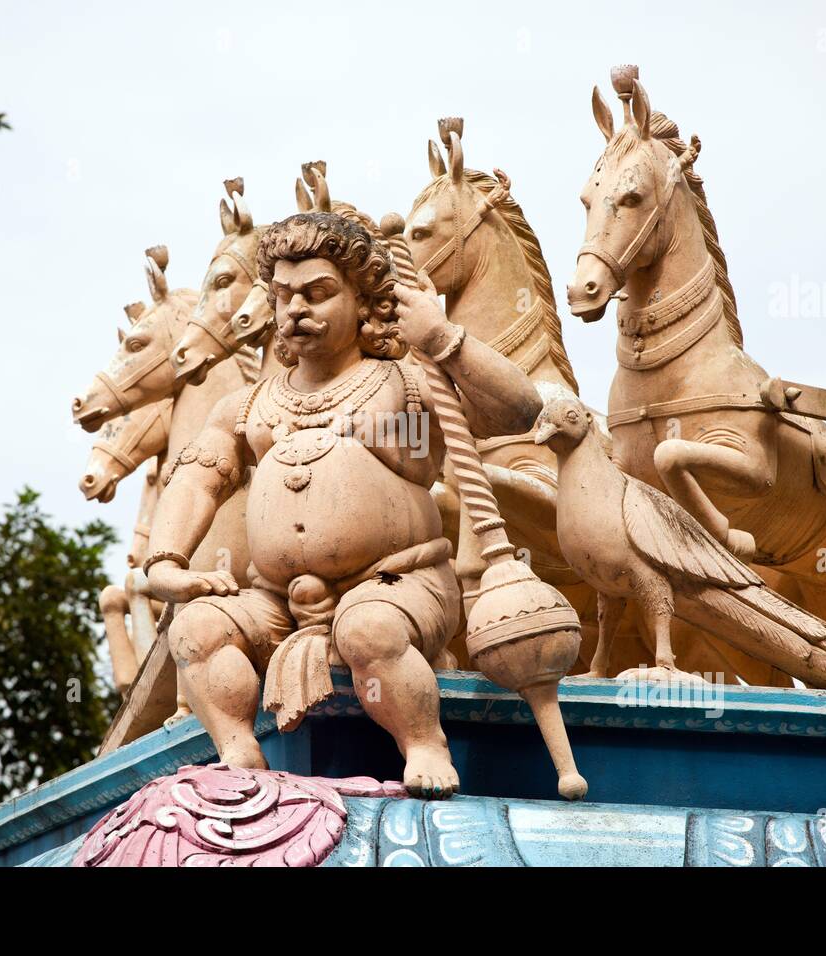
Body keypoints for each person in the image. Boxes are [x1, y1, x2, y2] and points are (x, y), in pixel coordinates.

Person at [143, 212, 542, 797]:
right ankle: (237, 752)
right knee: (199, 630)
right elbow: (199, 478)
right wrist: (165, 563)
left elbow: (520, 411)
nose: (295, 308)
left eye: (317, 292)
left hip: (397, 583)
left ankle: (424, 743)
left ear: (363, 302)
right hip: (276, 600)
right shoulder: (251, 405)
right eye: (282, 295)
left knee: (370, 631)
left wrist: (444, 340)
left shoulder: (406, 382)